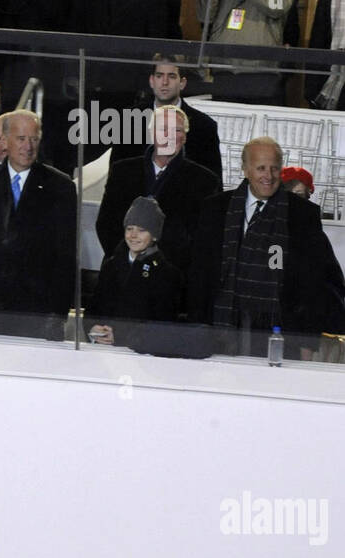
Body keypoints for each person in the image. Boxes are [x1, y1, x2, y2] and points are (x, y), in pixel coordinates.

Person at [188, 137, 345, 357]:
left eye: (274, 168)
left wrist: (307, 341)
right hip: (219, 329)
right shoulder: (215, 209)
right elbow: (200, 274)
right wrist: (195, 327)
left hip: (281, 333)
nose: (268, 176)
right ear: (245, 169)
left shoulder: (302, 215)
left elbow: (313, 283)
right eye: (261, 168)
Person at [0, 108, 77, 340]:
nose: (28, 146)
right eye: (21, 139)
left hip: (35, 311)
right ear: (5, 140)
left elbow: (66, 256)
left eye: (34, 139)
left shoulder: (61, 186)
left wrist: (58, 315)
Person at [96, 106, 219, 274]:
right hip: (121, 272)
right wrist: (129, 259)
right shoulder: (122, 171)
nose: (170, 136)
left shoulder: (205, 181)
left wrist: (162, 268)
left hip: (174, 279)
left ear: (184, 137)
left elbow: (202, 238)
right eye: (163, 129)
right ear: (152, 133)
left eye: (177, 130)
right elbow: (106, 223)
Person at [87, 196, 184, 349]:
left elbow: (162, 327)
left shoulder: (167, 274)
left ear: (154, 235)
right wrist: (92, 328)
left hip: (141, 356)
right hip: (102, 352)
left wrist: (120, 335)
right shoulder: (110, 266)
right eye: (129, 228)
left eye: (141, 230)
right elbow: (93, 310)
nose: (133, 235)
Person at [107, 55, 222, 183]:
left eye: (171, 76)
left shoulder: (204, 126)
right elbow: (115, 177)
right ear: (151, 81)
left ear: (182, 83)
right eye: (159, 76)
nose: (165, 82)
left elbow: (214, 185)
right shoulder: (128, 119)